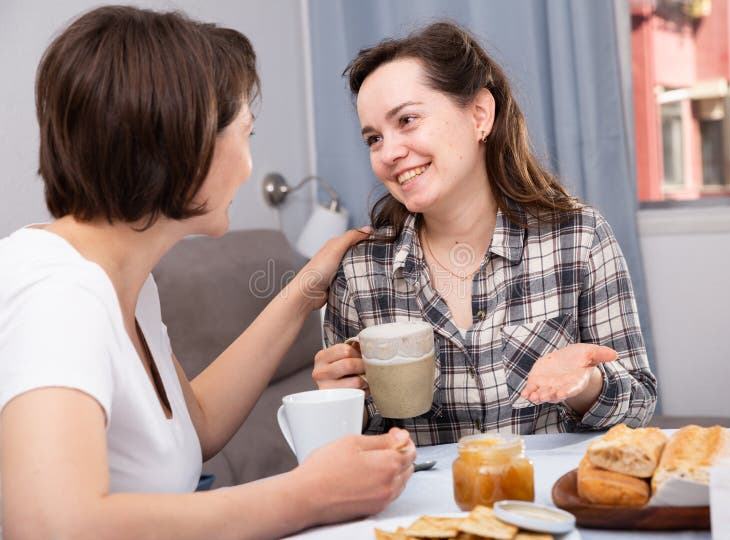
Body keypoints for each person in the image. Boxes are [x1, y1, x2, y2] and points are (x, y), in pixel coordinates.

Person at [0, 6, 416, 539]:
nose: (248, 163)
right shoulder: (55, 288)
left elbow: (196, 426)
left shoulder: (128, 283)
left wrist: (305, 288)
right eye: (245, 133)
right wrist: (307, 494)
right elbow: (47, 526)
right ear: (184, 143)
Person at [313, 22, 657, 446]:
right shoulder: (361, 272)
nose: (388, 153)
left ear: (480, 115)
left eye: (407, 120)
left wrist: (585, 383)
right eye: (373, 138)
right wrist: (340, 405)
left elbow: (640, 404)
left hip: (544, 503)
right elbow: (355, 446)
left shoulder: (579, 238)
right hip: (424, 509)